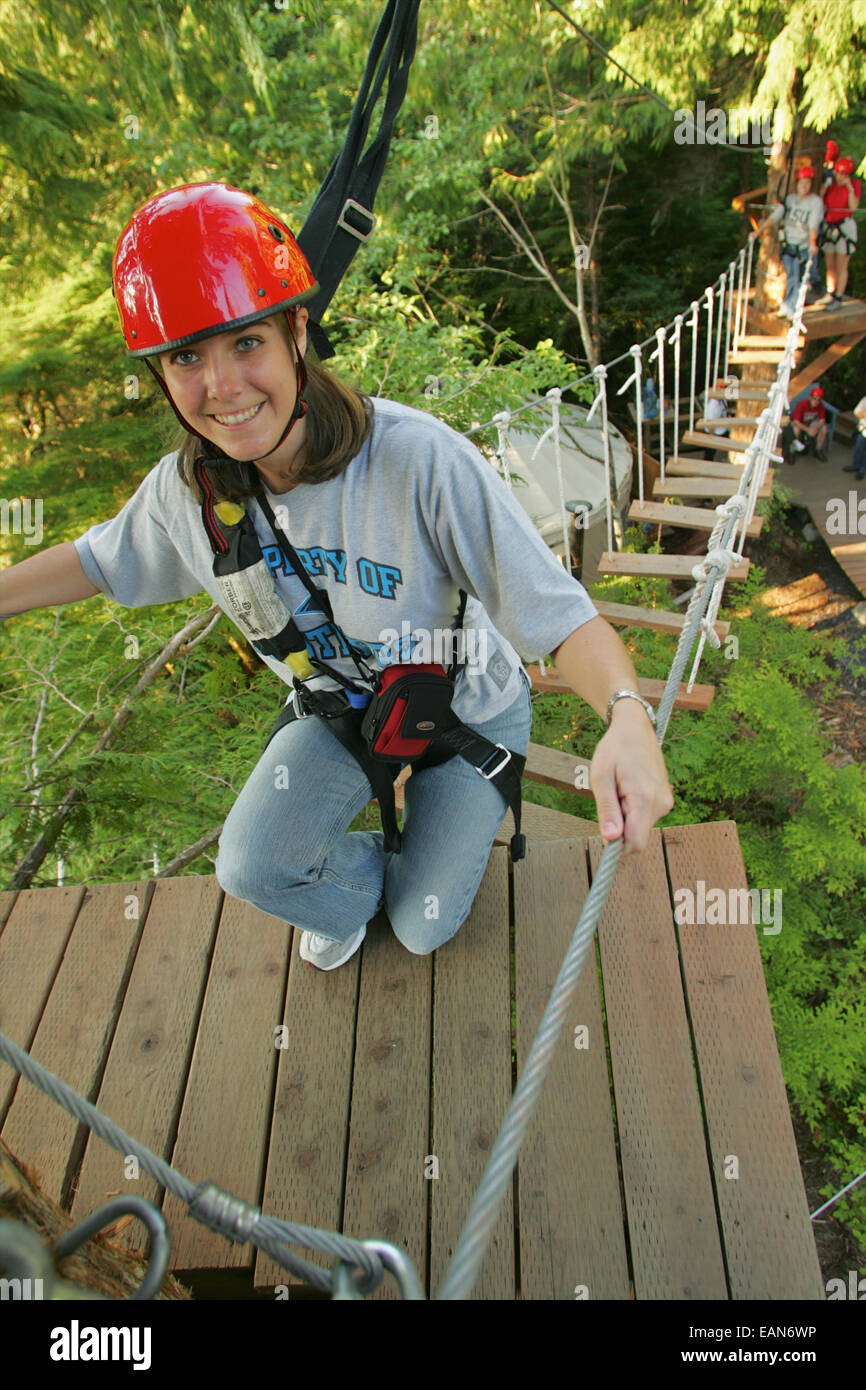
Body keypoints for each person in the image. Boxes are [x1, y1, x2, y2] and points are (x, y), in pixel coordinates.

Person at [0, 181, 673, 972]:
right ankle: (357, 888)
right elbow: (93, 561)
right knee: (251, 869)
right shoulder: (190, 496)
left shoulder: (416, 462)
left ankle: (421, 862)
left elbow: (558, 615)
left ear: (295, 332)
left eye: (246, 342)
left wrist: (626, 715)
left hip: (467, 715)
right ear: (161, 373)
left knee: (422, 927)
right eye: (186, 356)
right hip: (346, 710)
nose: (221, 387)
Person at [755, 166, 823, 318]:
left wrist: (813, 242)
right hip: (789, 244)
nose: (804, 186)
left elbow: (813, 224)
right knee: (791, 276)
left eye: (808, 183)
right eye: (802, 183)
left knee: (800, 277)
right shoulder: (790, 200)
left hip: (804, 246)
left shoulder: (815, 202)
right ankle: (787, 306)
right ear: (797, 183)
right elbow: (775, 217)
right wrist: (758, 232)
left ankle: (794, 307)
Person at [816, 157, 861, 307]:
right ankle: (831, 293)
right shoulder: (831, 185)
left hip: (845, 227)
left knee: (842, 264)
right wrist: (824, 188)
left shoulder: (854, 185)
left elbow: (853, 207)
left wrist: (849, 188)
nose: (842, 177)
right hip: (829, 226)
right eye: (840, 174)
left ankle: (839, 297)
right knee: (830, 264)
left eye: (845, 175)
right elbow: (821, 204)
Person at [791, 386, 829, 460]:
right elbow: (796, 421)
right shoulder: (802, 404)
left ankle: (818, 450)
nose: (816, 401)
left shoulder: (821, 405)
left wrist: (815, 428)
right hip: (799, 424)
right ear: (810, 398)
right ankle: (791, 452)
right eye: (814, 398)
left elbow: (822, 420)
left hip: (810, 424)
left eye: (818, 399)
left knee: (823, 428)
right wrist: (808, 430)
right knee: (795, 430)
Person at [842, 395, 866, 480]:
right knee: (857, 449)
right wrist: (864, 413)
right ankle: (855, 465)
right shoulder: (865, 400)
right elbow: (857, 413)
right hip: (863, 431)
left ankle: (862, 471)